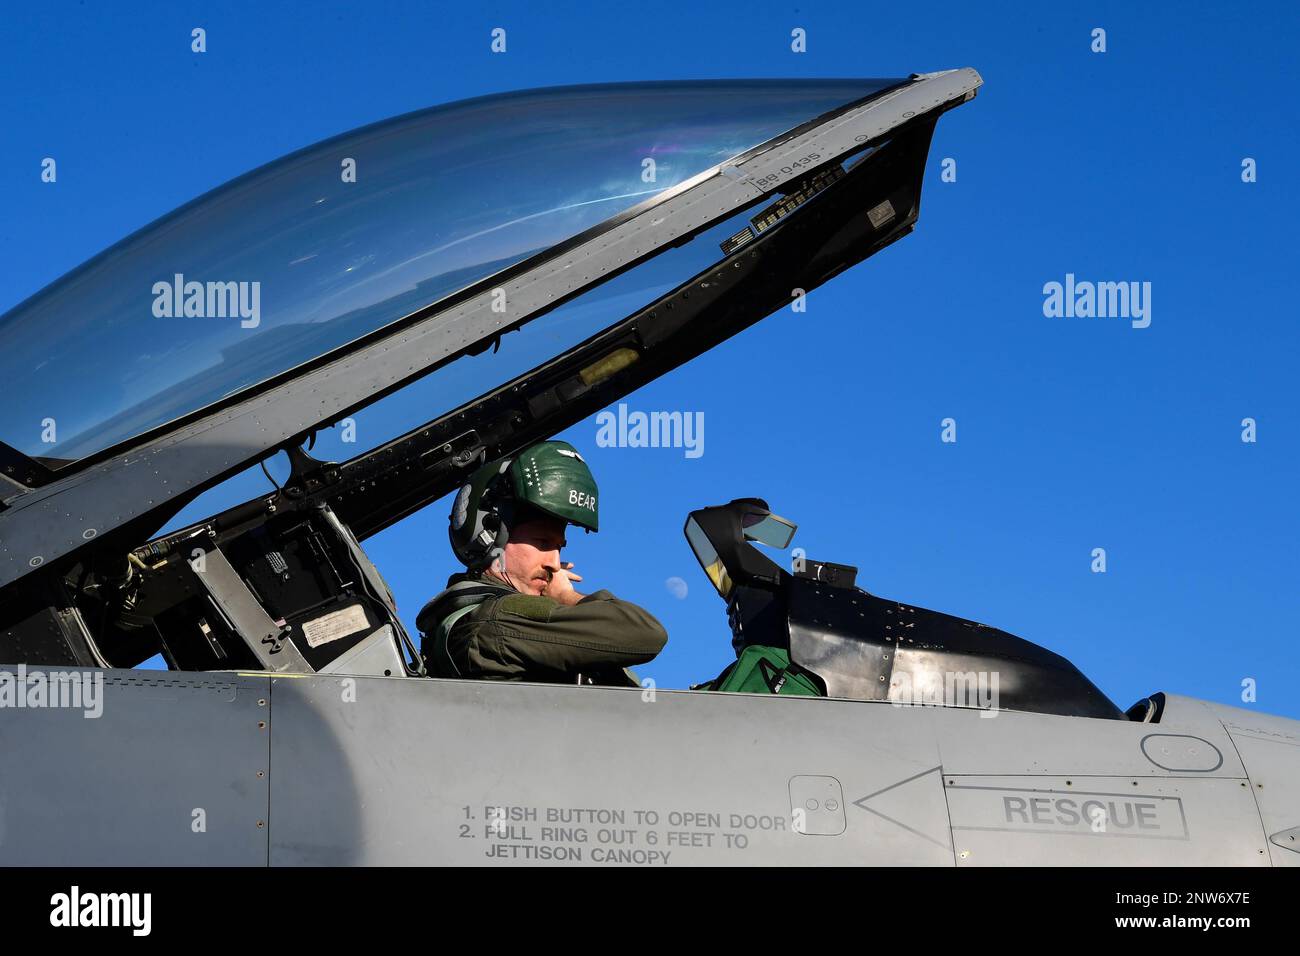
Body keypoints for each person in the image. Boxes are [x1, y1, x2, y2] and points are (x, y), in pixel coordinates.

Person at [417, 441, 667, 685]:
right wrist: (568, 597)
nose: (555, 564)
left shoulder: (479, 619)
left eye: (559, 547)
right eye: (543, 542)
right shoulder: (499, 620)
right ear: (492, 537)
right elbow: (646, 633)